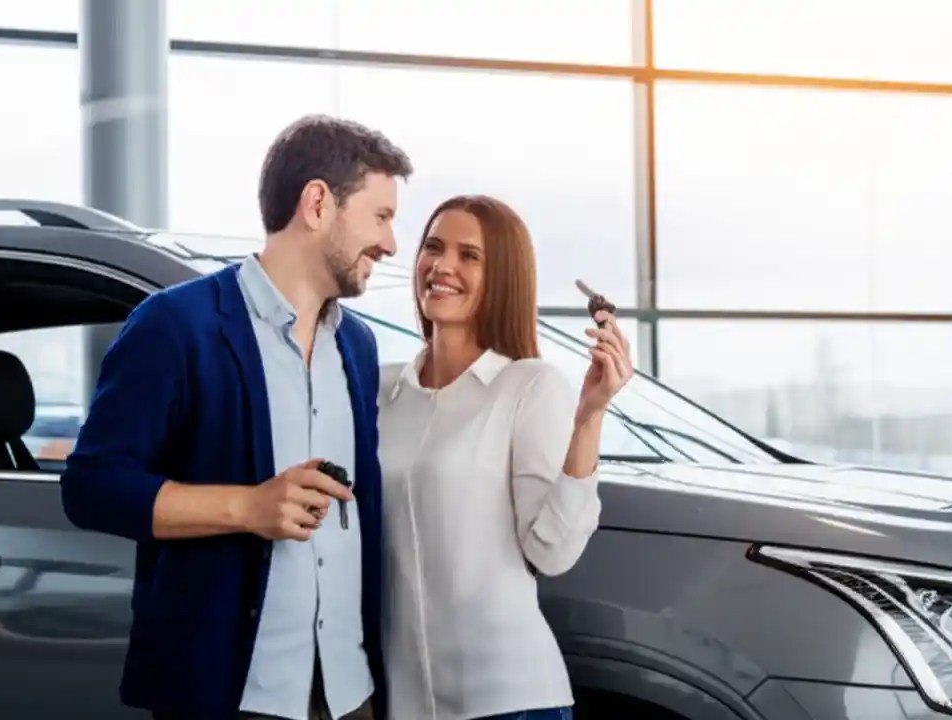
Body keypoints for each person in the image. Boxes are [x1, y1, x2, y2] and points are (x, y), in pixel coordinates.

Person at [59, 114, 413, 720]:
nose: (390, 244)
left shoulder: (358, 345)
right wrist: (248, 507)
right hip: (231, 695)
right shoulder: (177, 325)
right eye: (379, 216)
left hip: (348, 692)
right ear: (318, 203)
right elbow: (91, 489)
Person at [377, 195, 633, 720]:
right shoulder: (381, 390)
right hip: (406, 705)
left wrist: (589, 417)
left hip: (510, 702)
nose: (442, 266)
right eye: (434, 247)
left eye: (469, 255)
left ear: (502, 279)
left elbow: (552, 552)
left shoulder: (529, 385)